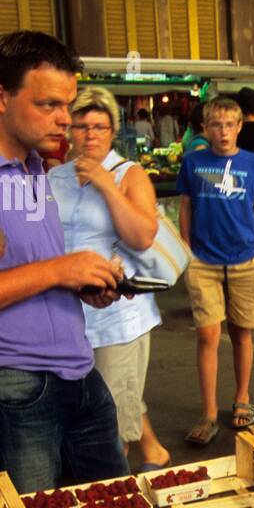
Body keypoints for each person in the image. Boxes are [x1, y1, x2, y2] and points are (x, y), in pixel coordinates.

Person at [0, 31, 127, 490]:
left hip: (80, 370)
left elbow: (31, 268)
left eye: (67, 105)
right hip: (19, 383)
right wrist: (60, 269)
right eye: (48, 104)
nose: (64, 120)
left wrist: (82, 283)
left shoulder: (36, 169)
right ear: (2, 97)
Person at [49, 86, 170, 470]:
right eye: (81, 126)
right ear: (69, 130)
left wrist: (105, 184)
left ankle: (115, 485)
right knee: (98, 399)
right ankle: (152, 450)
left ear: (113, 131)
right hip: (67, 313)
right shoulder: (54, 176)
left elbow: (143, 236)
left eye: (99, 127)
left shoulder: (128, 174)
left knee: (111, 422)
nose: (90, 135)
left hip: (118, 318)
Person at [177, 98, 254, 441]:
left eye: (230, 124)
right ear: (205, 128)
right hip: (203, 261)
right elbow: (185, 206)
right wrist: (186, 249)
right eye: (216, 125)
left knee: (242, 332)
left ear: (239, 127)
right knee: (207, 334)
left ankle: (242, 397)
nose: (223, 131)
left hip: (245, 260)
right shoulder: (193, 162)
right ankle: (208, 412)